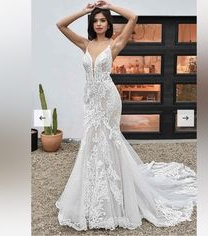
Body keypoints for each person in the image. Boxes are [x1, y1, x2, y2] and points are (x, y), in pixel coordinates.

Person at [55, 0, 197, 231]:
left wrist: (109, 4)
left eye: (103, 20)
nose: (99, 24)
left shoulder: (115, 44)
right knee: (91, 143)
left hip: (109, 100)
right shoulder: (85, 44)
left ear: (108, 23)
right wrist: (85, 10)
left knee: (109, 141)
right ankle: (92, 193)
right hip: (91, 101)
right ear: (92, 24)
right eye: (96, 21)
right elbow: (60, 25)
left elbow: (133, 17)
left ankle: (116, 196)